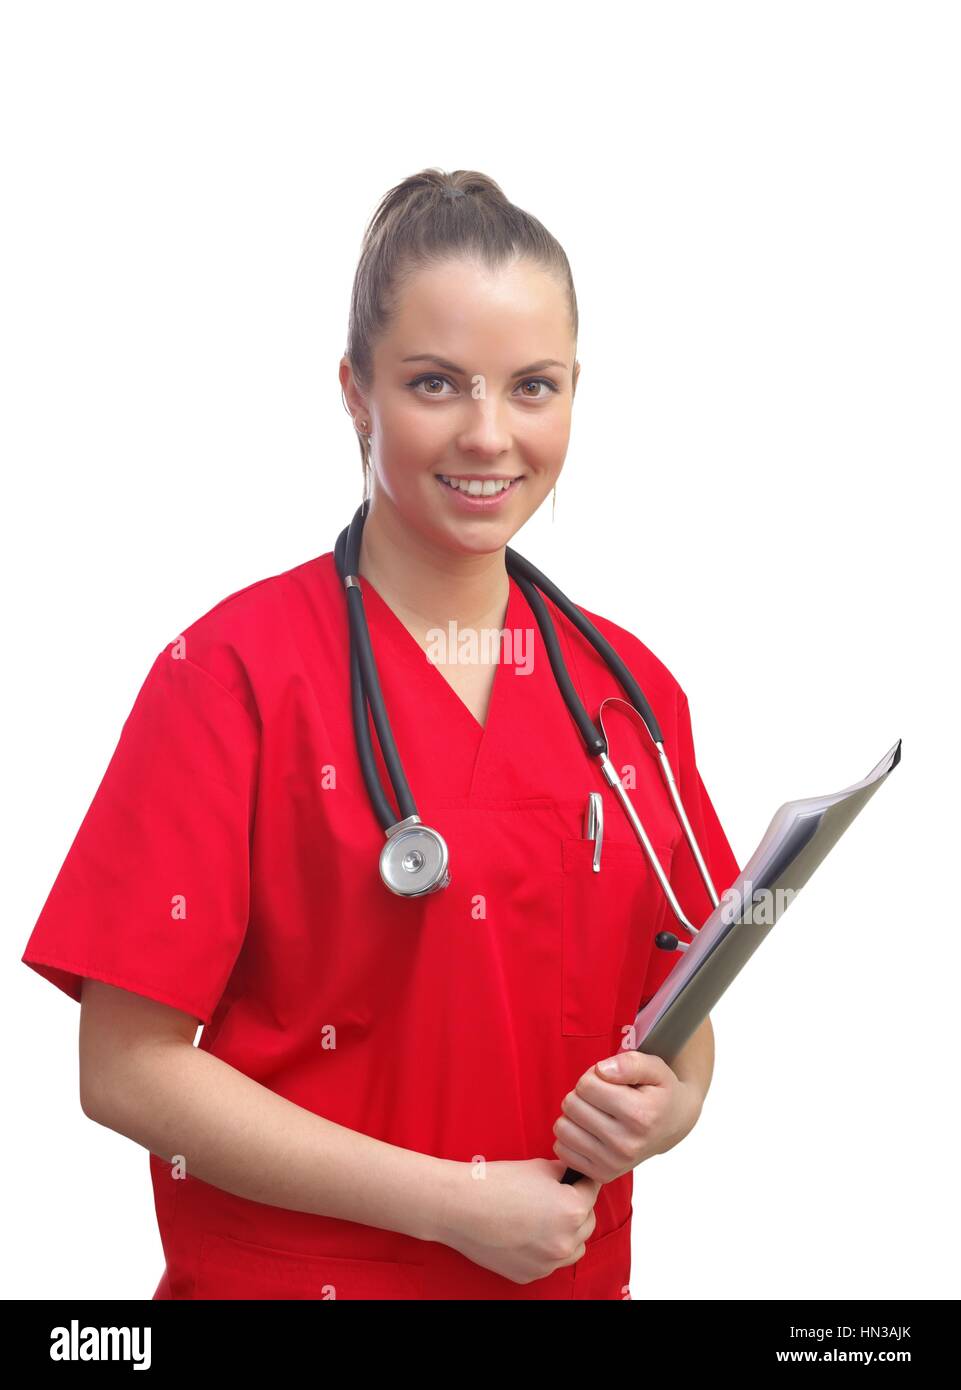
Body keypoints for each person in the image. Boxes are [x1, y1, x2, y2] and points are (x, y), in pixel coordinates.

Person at [21, 167, 740, 1301]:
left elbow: (677, 1002)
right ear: (355, 392)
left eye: (533, 387)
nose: (490, 433)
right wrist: (455, 1205)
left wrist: (675, 1102)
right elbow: (124, 1070)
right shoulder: (231, 673)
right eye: (435, 383)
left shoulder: (626, 692)